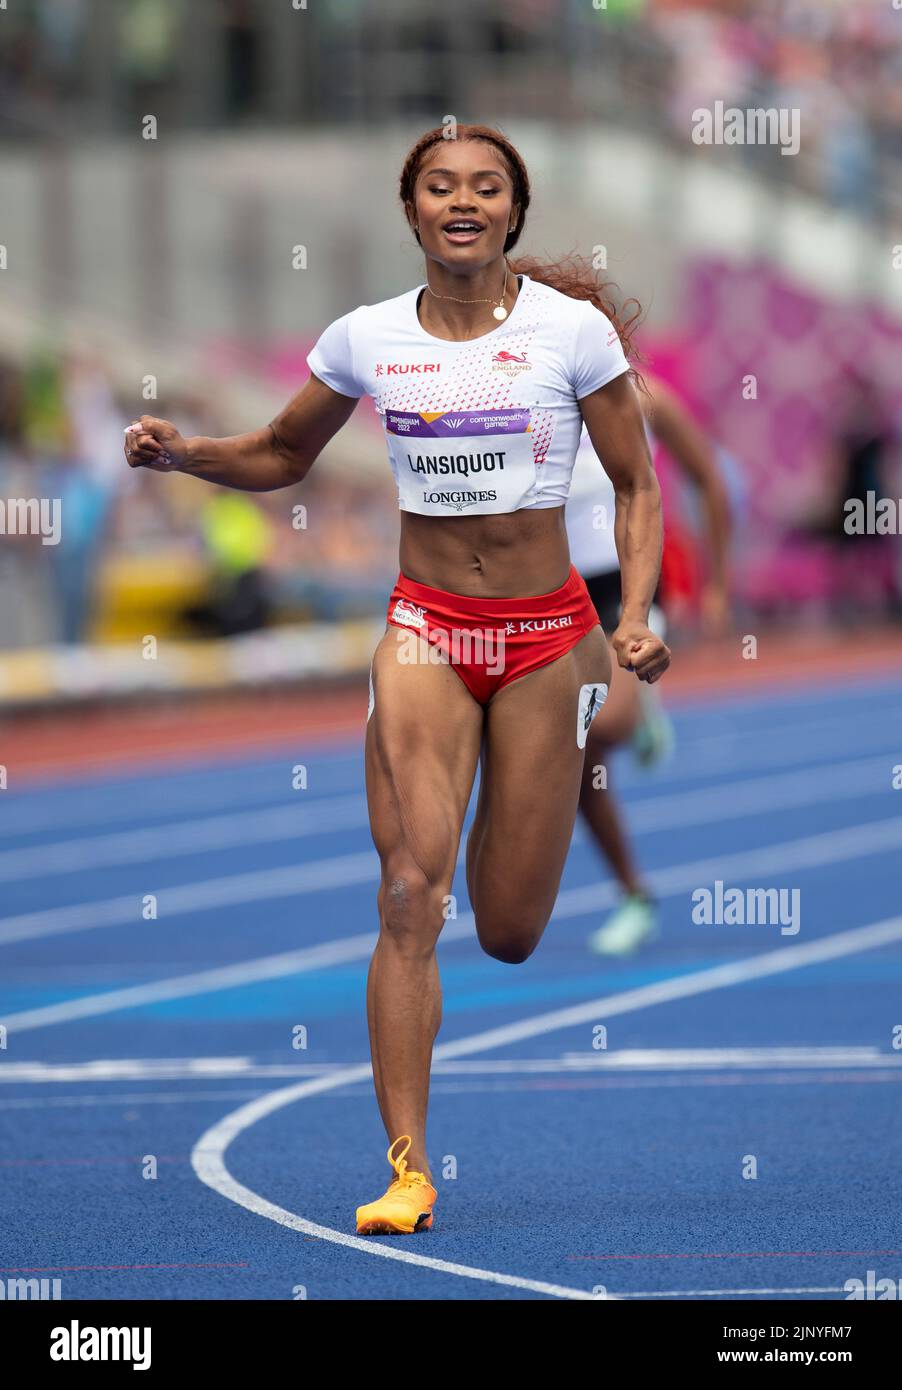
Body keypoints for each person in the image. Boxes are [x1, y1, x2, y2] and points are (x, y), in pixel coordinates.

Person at [123, 123, 670, 1236]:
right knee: (408, 892)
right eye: (438, 186)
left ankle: (501, 802)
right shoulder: (366, 338)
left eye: (483, 188)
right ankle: (408, 1167)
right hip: (423, 628)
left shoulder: (572, 334)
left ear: (511, 212)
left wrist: (640, 617)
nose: (460, 201)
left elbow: (636, 485)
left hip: (544, 637)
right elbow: (282, 453)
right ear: (410, 210)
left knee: (508, 926)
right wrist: (184, 453)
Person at [565, 376, 732, 954]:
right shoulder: (526, 394)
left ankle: (638, 706)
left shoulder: (643, 397)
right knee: (575, 755)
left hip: (626, 593)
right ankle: (634, 894)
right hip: (553, 596)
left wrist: (717, 586)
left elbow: (710, 479)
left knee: (601, 728)